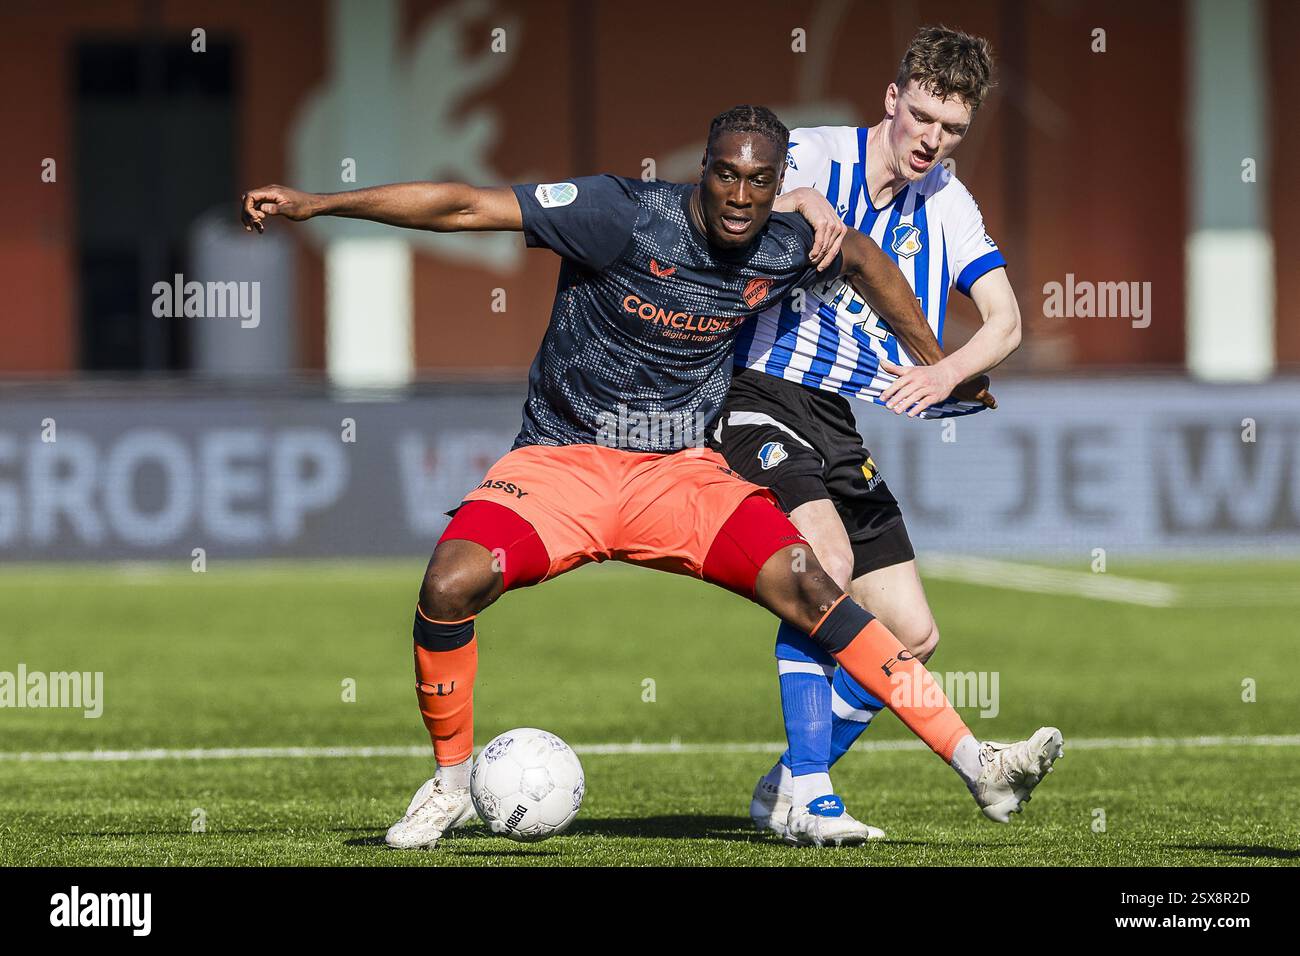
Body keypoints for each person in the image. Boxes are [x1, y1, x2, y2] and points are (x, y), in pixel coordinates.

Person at [240, 104, 1058, 851]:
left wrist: (938, 363)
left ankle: (976, 761)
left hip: (682, 480)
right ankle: (450, 784)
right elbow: (463, 206)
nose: (740, 197)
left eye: (760, 181)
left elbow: (871, 265)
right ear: (702, 169)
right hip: (563, 463)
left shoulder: (782, 244)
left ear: (783, 184)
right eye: (726, 175)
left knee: (814, 586)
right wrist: (317, 206)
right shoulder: (618, 213)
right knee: (450, 584)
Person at [712, 29, 1028, 846]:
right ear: (892, 100)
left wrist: (947, 372)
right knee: (829, 564)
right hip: (756, 389)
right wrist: (799, 200)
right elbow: (726, 199)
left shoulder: (950, 204)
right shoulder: (815, 154)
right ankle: (813, 794)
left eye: (952, 129)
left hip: (834, 416)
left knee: (914, 633)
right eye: (921, 116)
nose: (932, 140)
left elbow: (1007, 323)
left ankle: (785, 781)